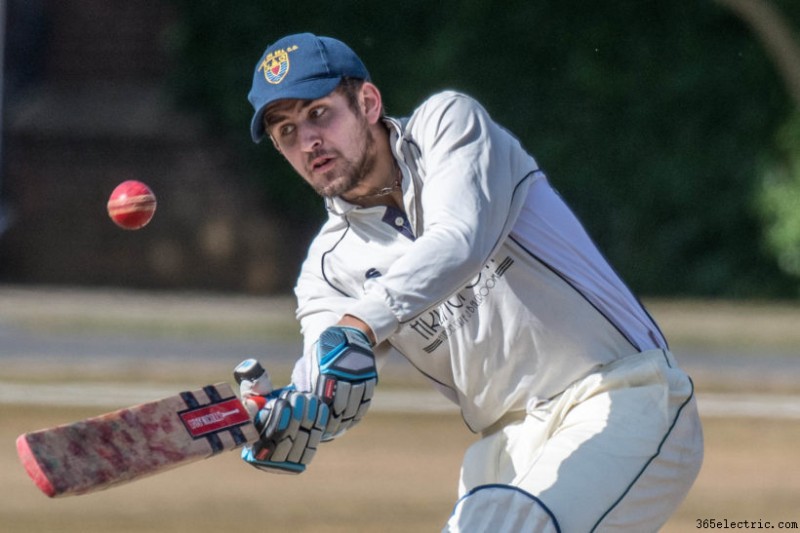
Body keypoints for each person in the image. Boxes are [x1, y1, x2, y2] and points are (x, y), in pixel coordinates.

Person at [238, 32, 704, 532]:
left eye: (318, 113)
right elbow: (334, 370)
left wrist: (359, 323)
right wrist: (296, 418)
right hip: (505, 450)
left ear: (368, 103)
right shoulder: (326, 271)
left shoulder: (447, 125)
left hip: (622, 393)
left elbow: (459, 241)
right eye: (285, 130)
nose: (307, 140)